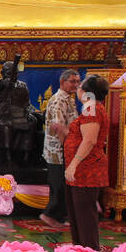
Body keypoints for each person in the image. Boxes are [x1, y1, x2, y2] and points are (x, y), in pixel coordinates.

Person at [63, 75, 110, 250]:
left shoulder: (91, 108)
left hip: (86, 169)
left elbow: (89, 140)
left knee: (84, 216)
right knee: (78, 215)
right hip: (81, 170)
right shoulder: (92, 107)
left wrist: (74, 163)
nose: (78, 89)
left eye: (80, 85)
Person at [41, 69, 81, 230]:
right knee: (58, 184)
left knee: (63, 183)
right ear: (62, 82)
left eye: (78, 82)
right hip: (57, 150)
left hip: (65, 148)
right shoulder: (59, 100)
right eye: (72, 81)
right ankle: (50, 214)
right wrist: (69, 147)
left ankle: (60, 216)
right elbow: (59, 127)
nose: (75, 85)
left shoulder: (69, 100)